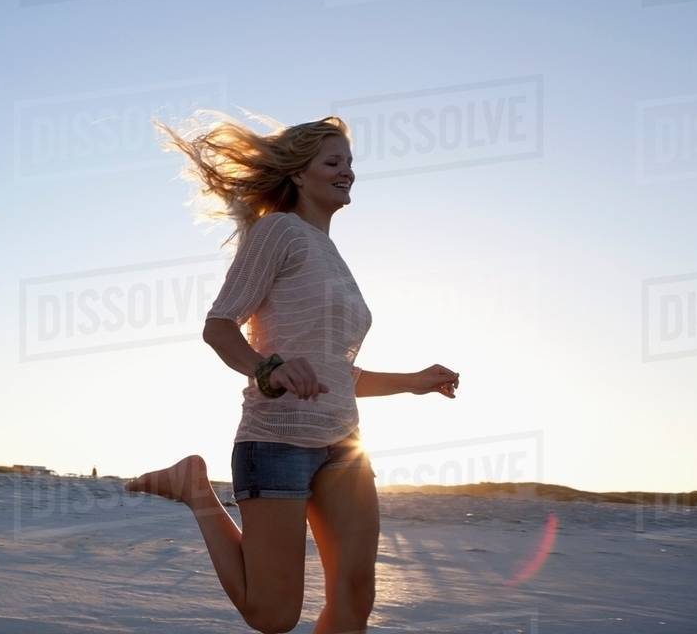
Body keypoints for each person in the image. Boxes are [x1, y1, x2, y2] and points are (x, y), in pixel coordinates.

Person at [126, 113, 460, 634]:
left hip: (343, 443)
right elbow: (219, 327)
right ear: (299, 174)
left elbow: (336, 374)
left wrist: (413, 381)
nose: (347, 171)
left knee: (355, 596)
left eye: (350, 162)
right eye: (333, 161)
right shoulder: (278, 231)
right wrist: (269, 368)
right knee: (273, 614)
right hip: (275, 441)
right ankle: (196, 489)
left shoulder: (333, 255)